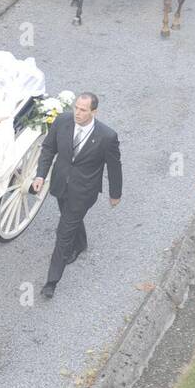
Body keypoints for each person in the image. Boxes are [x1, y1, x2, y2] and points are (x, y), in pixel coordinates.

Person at [32, 92, 122, 298]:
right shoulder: (62, 121)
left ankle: (51, 282)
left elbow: (115, 167)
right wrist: (40, 176)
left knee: (64, 232)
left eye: (83, 110)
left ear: (94, 112)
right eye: (76, 108)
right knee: (70, 217)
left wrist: (115, 193)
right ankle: (80, 244)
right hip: (60, 183)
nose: (77, 113)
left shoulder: (107, 136)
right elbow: (48, 149)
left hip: (84, 191)